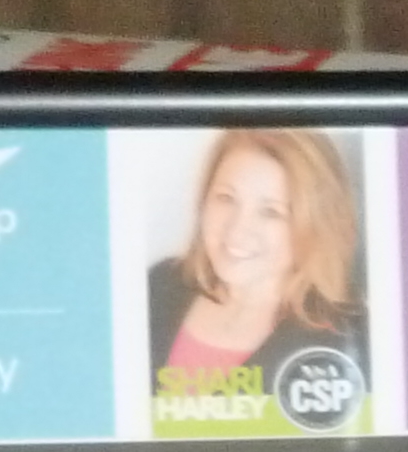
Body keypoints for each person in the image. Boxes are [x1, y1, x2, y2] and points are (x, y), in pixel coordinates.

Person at [144, 125, 368, 431]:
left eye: (271, 212)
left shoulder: (348, 339)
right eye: (226, 198)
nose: (237, 230)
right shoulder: (158, 286)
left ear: (316, 223)